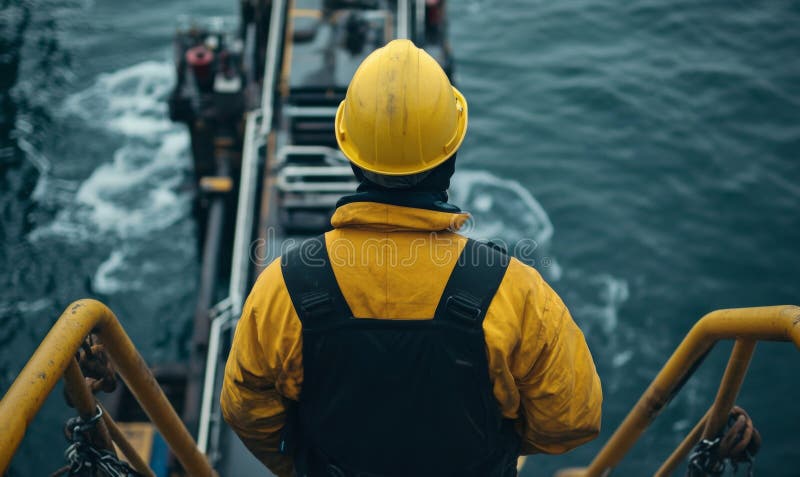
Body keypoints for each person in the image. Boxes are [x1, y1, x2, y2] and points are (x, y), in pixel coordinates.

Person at [221, 39, 602, 477]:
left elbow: (246, 411)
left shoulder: (283, 289)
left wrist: (303, 464)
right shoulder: (513, 292)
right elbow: (573, 420)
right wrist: (494, 451)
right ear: (451, 156)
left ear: (351, 155)